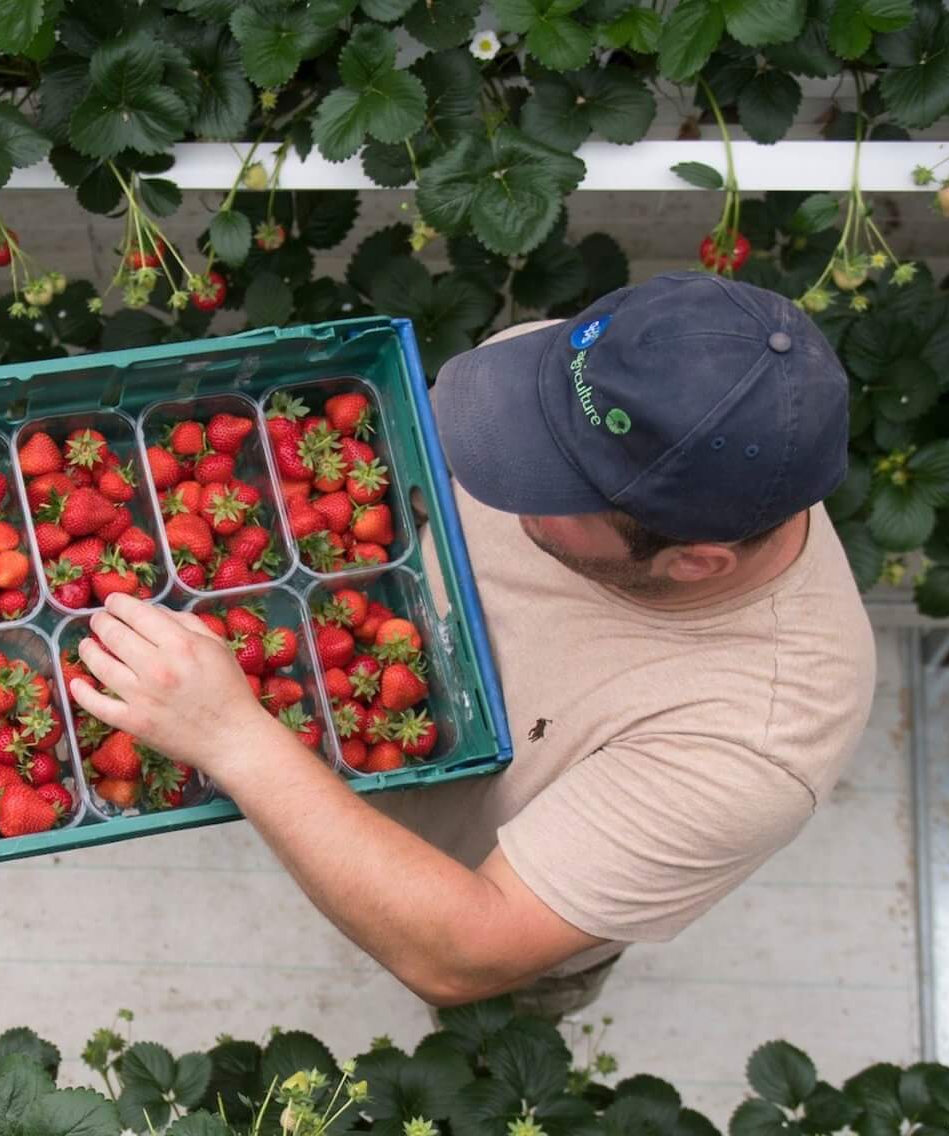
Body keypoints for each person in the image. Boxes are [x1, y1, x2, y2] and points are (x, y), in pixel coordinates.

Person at [69, 272, 877, 1019]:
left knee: (502, 1011)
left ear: (695, 561)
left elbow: (465, 952)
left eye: (547, 489)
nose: (501, 474)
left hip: (473, 887)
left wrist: (232, 738)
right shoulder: (586, 387)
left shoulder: (755, 737)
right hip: (352, 717)